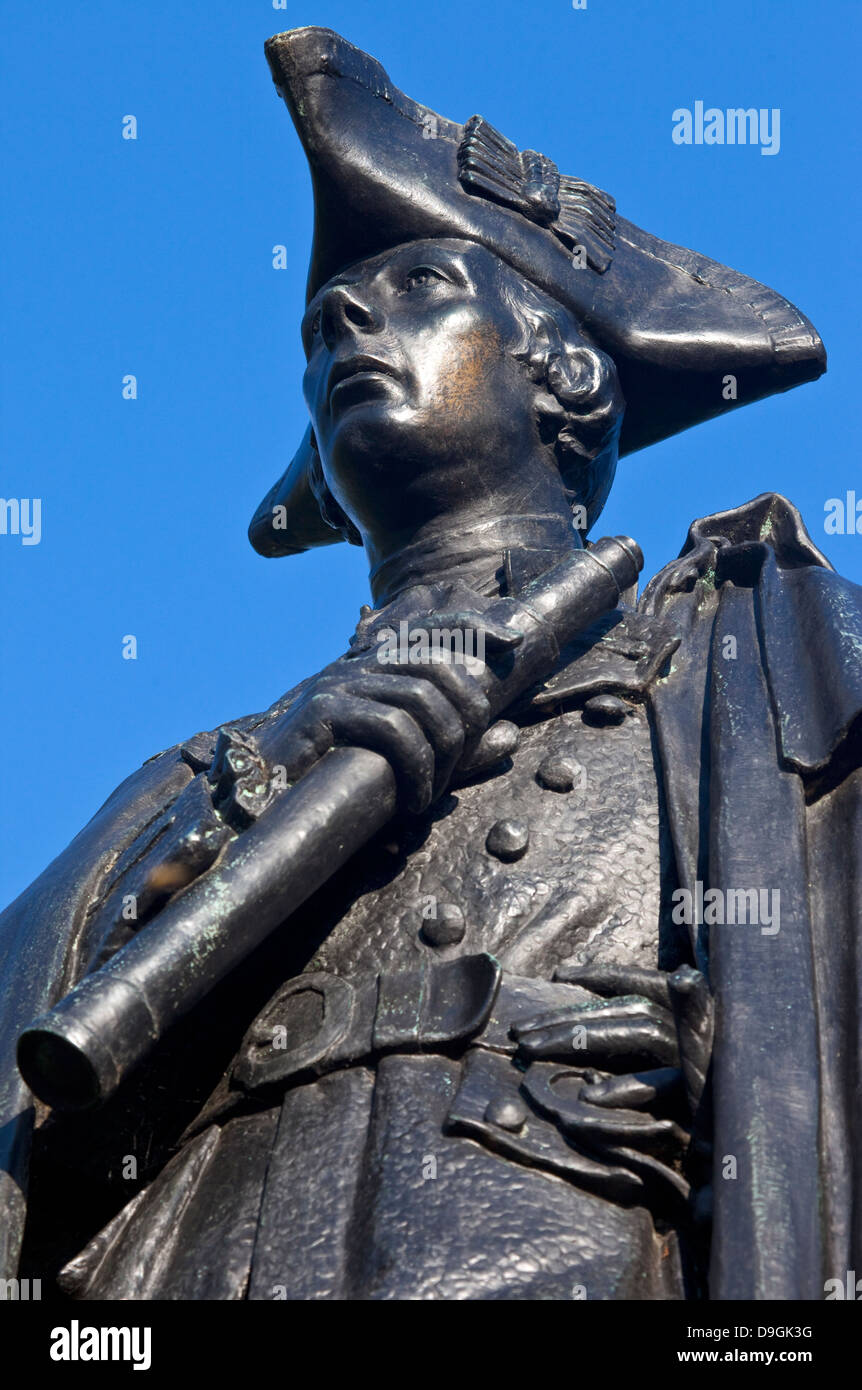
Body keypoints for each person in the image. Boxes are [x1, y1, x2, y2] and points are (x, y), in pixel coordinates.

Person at [2, 27, 859, 1301]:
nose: (343, 314)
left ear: (563, 371)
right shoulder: (213, 770)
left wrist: (735, 1053)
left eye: (419, 289)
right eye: (319, 329)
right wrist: (250, 789)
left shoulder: (737, 649)